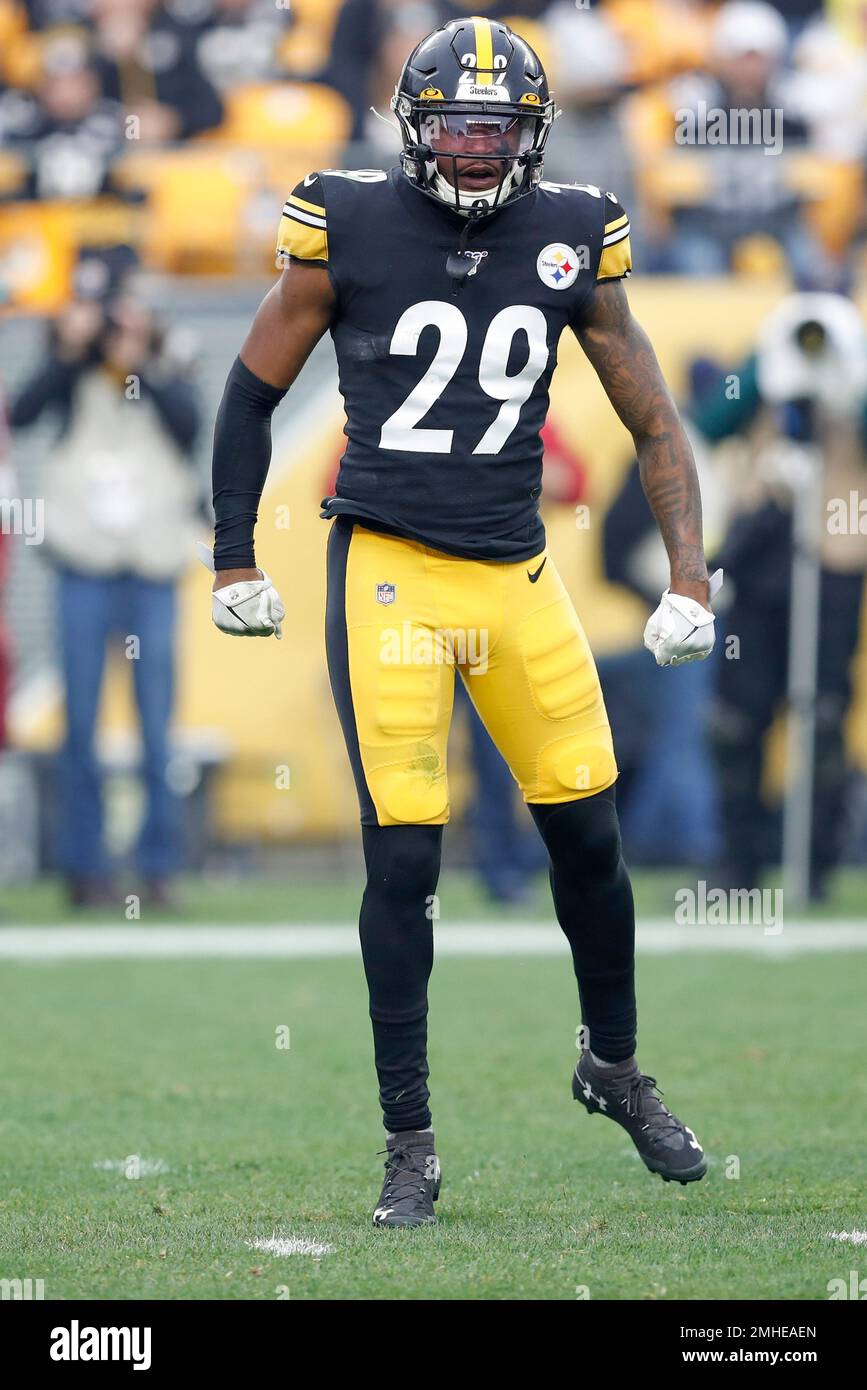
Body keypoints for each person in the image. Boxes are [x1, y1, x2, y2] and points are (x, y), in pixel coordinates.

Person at [207, 17, 716, 1226]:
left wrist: (691, 573)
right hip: (389, 570)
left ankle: (613, 1066)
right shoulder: (350, 222)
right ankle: (410, 1139)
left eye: (498, 130)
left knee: (590, 839)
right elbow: (247, 394)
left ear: (531, 138)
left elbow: (652, 419)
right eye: (458, 128)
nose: (478, 152)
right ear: (416, 129)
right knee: (407, 857)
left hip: (519, 576)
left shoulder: (571, 234)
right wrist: (233, 554)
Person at [11, 269, 201, 907]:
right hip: (83, 567)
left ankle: (158, 867)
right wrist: (72, 348)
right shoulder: (70, 375)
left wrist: (143, 360)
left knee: (156, 726)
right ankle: (84, 869)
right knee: (82, 725)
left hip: (150, 569)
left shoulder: (163, 368)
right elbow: (24, 411)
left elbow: (188, 428)